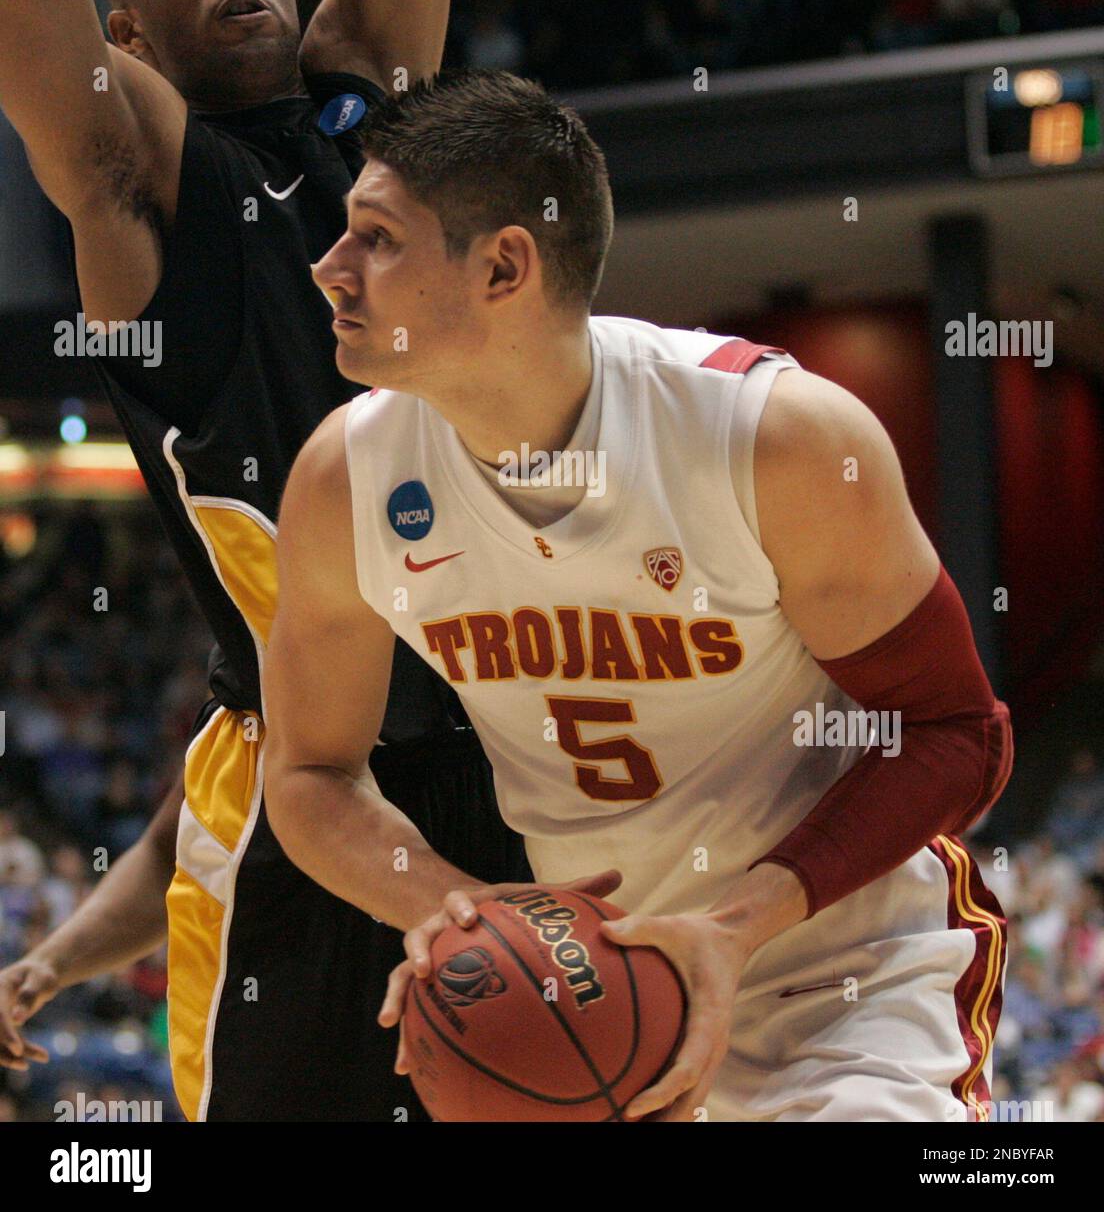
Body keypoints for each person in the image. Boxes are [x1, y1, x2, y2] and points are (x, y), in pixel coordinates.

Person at [262, 69, 1014, 1122]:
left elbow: (956, 732)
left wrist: (740, 922)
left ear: (505, 266)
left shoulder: (777, 443)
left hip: (842, 976)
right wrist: (457, 906)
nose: (329, 266)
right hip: (599, 999)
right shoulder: (346, 481)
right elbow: (306, 773)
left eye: (377, 239)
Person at [0, 0, 529, 1121]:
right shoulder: (140, 201)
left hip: (520, 749)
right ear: (125, 32)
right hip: (314, 817)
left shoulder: (383, 127)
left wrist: (54, 957)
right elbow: (244, 766)